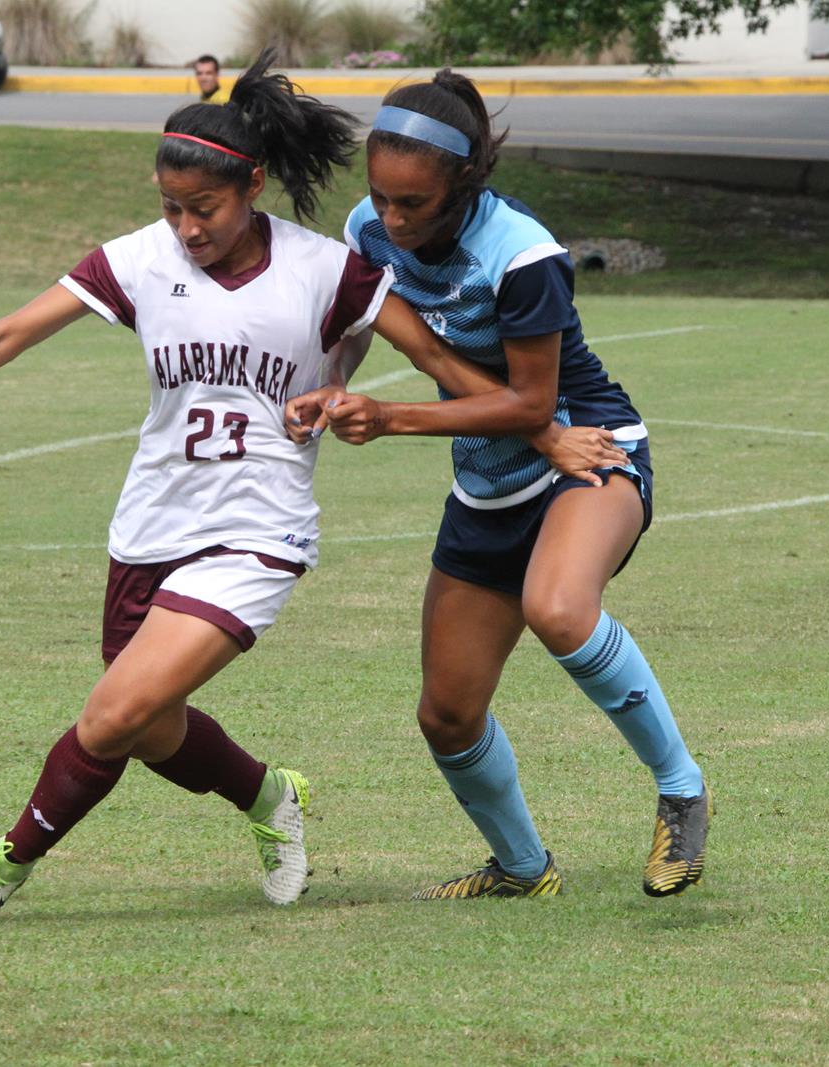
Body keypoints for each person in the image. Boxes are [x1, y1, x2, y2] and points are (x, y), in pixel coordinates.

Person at [0, 51, 514, 927]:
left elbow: (451, 370)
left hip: (260, 532)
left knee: (112, 715)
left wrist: (522, 421)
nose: (185, 227)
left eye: (204, 208)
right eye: (170, 207)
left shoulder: (326, 271)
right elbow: (8, 336)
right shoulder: (139, 260)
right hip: (150, 525)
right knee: (147, 726)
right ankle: (269, 795)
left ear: (252, 186)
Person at [286, 71, 710, 900]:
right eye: (381, 198)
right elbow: (365, 323)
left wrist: (392, 418)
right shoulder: (370, 231)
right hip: (488, 480)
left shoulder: (524, 255)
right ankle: (523, 868)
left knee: (559, 609)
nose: (393, 220)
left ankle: (683, 789)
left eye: (414, 204)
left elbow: (532, 401)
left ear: (464, 186)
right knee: (445, 712)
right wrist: (331, 387)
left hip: (583, 450)